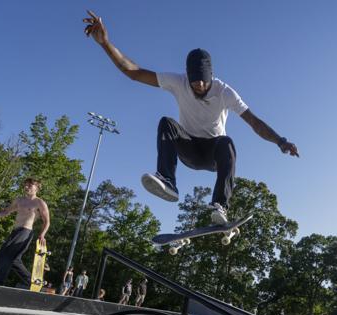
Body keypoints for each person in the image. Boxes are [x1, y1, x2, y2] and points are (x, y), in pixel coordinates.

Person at [83, 11, 299, 225]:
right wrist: (105, 44)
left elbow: (254, 122)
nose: (200, 87)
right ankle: (168, 180)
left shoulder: (225, 92)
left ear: (211, 76)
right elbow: (135, 72)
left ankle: (220, 205)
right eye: (195, 83)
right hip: (189, 149)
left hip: (214, 153)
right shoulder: (178, 82)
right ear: (188, 76)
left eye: (204, 82)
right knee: (166, 122)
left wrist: (280, 141)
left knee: (227, 142)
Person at [0, 178, 50, 287]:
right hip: (15, 231)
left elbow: (47, 221)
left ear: (37, 188)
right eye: (25, 185)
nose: (26, 188)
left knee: (5, 252)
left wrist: (42, 234)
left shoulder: (39, 202)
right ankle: (32, 282)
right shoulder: (19, 200)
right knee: (14, 260)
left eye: (29, 186)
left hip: (25, 232)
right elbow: (6, 211)